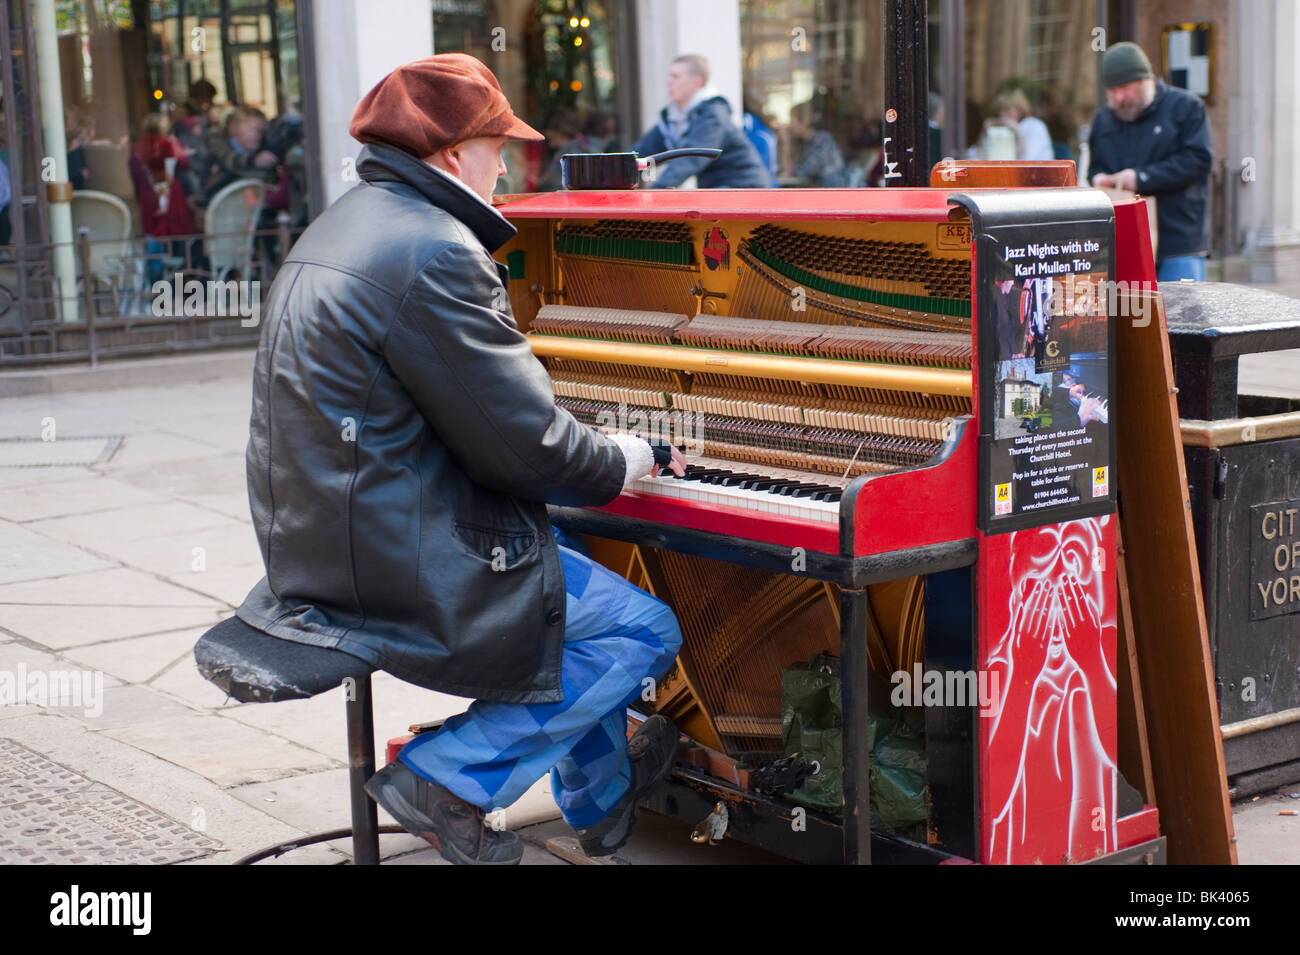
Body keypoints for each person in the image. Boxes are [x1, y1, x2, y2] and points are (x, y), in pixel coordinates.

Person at [234, 54, 687, 865]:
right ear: (452, 156)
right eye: (496, 145)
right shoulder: (435, 249)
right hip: (402, 561)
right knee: (642, 631)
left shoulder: (343, 223)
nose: (507, 164)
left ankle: (606, 792)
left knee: (568, 568)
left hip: (322, 539)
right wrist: (629, 455)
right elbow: (530, 446)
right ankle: (447, 777)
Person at [1088, 42, 1213, 282]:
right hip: (1126, 243)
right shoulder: (1104, 120)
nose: (1119, 97)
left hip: (1179, 241)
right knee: (1133, 318)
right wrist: (1098, 178)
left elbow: (1198, 160)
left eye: (1124, 87)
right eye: (1112, 90)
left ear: (1146, 80)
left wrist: (1141, 177)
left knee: (1183, 317)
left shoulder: (1187, 108)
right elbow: (1096, 166)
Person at [631, 53, 769, 189]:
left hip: (744, 189)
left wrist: (654, 193)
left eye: (675, 76)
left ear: (696, 82)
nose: (668, 82)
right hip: (719, 191)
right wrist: (616, 169)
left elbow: (689, 159)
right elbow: (643, 151)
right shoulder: (675, 119)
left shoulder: (712, 115)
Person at [787, 100, 848, 187]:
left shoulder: (823, 140)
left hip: (833, 191)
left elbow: (803, 171)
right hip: (818, 190)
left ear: (805, 121)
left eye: (792, 120)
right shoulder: (803, 142)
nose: (790, 125)